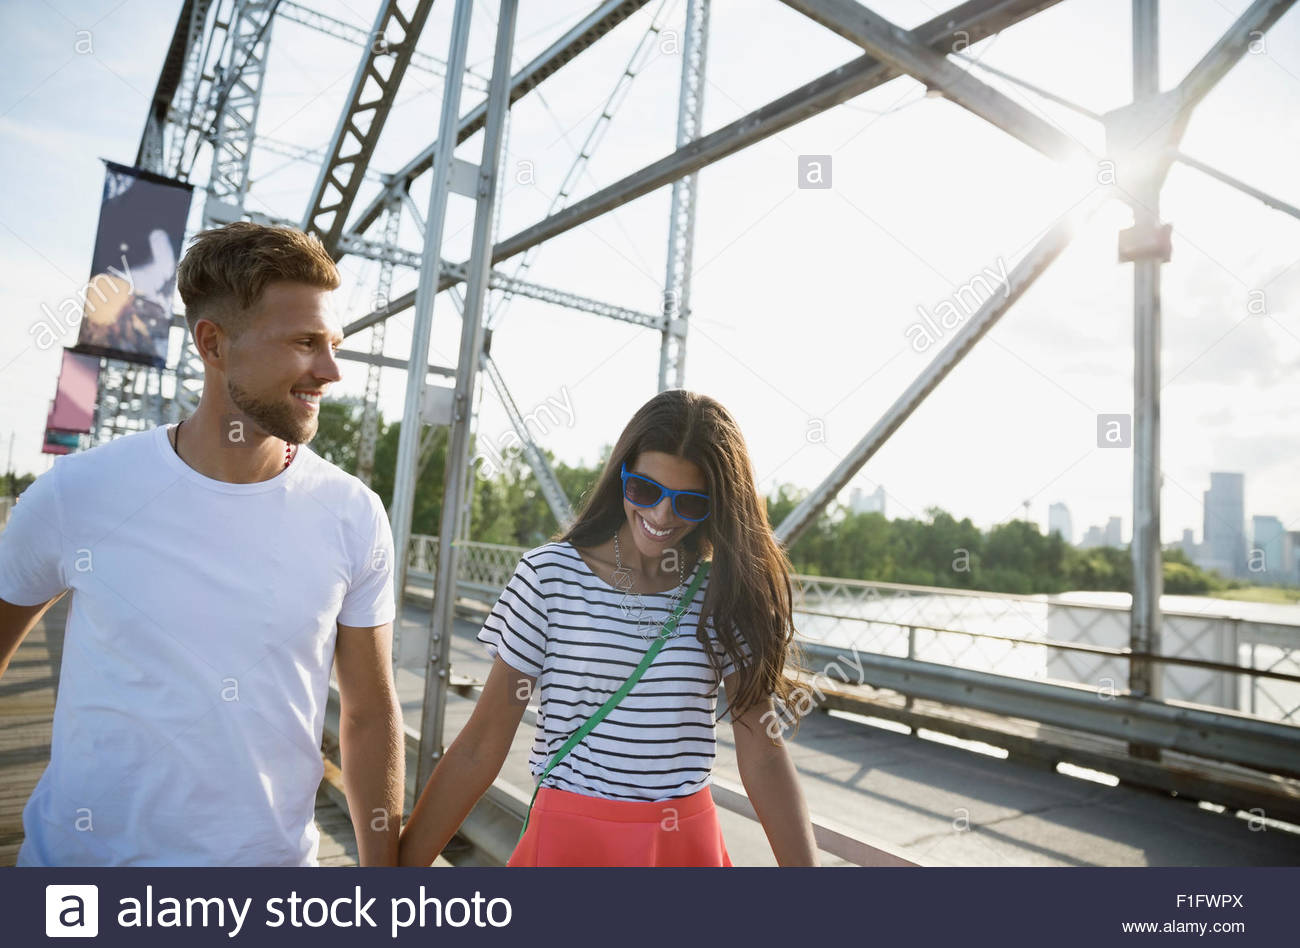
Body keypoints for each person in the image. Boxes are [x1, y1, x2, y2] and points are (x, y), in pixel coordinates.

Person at [0, 222, 405, 866]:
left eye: (334, 344)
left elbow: (368, 715)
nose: (330, 371)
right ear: (213, 344)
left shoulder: (354, 514)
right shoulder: (78, 494)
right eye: (305, 343)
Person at [398, 389, 818, 866]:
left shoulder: (725, 591)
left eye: (689, 503)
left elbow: (763, 754)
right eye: (644, 490)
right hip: (570, 842)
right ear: (622, 473)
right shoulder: (549, 576)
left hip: (681, 846)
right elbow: (479, 747)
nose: (661, 516)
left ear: (717, 505)